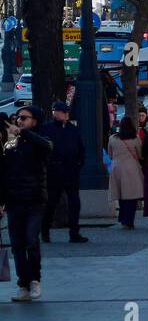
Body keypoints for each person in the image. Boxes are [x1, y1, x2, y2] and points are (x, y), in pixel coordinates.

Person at [1, 105, 52, 300]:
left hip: (35, 199)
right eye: (18, 118)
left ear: (35, 121)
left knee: (31, 240)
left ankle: (34, 281)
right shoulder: (11, 143)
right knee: (17, 245)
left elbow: (46, 147)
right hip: (14, 200)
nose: (19, 121)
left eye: (24, 118)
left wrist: (22, 133)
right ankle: (23, 283)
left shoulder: (40, 140)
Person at [40, 101, 88, 244]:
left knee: (74, 203)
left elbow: (80, 149)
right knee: (51, 203)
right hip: (54, 171)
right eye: (63, 112)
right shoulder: (47, 129)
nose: (66, 115)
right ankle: (45, 229)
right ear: (56, 113)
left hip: (71, 171)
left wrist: (78, 164)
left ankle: (74, 232)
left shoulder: (72, 129)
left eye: (66, 112)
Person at [108, 115, 144, 229]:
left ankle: (122, 218)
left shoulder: (112, 138)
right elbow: (139, 154)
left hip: (116, 167)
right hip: (131, 168)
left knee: (121, 194)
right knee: (131, 196)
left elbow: (110, 154)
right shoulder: (135, 138)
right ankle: (129, 220)